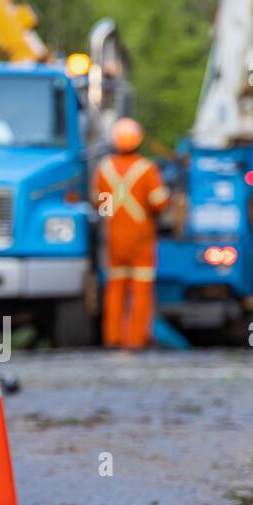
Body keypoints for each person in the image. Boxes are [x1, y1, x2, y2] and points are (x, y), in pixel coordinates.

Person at [92, 118, 170, 348]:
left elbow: (102, 205)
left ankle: (113, 337)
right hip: (141, 238)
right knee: (141, 288)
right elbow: (159, 203)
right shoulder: (146, 169)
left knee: (115, 287)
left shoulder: (104, 169)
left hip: (115, 237)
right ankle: (136, 339)